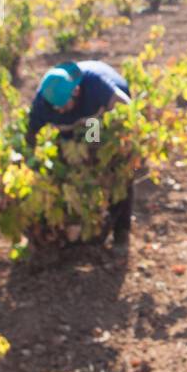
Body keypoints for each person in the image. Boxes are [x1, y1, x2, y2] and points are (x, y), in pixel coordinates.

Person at [27, 61, 134, 246]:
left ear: (75, 92)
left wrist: (122, 143)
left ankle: (121, 231)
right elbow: (31, 136)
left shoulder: (95, 86)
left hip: (99, 116)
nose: (58, 110)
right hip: (75, 122)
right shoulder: (45, 102)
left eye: (62, 105)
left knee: (115, 172)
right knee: (70, 167)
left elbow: (127, 109)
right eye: (55, 107)